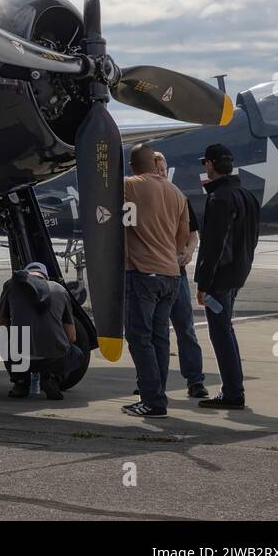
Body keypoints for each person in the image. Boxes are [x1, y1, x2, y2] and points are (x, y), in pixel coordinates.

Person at [122, 143, 190, 417]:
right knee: (160, 337)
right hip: (171, 275)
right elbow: (182, 238)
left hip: (142, 273)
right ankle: (157, 395)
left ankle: (152, 399)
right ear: (154, 163)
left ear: (132, 165)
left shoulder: (130, 186)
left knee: (139, 338)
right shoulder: (177, 192)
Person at [194, 143, 261, 410]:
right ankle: (233, 388)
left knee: (220, 333)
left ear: (210, 164)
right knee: (227, 331)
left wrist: (203, 283)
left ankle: (233, 392)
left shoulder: (219, 199)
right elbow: (252, 240)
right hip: (237, 274)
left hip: (220, 278)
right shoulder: (247, 195)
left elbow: (213, 246)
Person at [152, 151, 209, 399]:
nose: (161, 172)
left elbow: (193, 232)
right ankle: (153, 381)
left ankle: (195, 380)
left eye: (163, 167)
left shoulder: (179, 198)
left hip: (176, 274)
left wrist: (189, 251)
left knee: (185, 328)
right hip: (151, 274)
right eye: (156, 168)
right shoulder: (140, 200)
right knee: (156, 331)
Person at [0, 261, 84, 400]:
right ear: (45, 277)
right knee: (77, 353)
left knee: (0, 336)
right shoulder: (60, 290)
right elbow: (72, 337)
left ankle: (20, 381)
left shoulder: (12, 285)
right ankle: (52, 377)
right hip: (53, 358)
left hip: (19, 357)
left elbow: (0, 325)